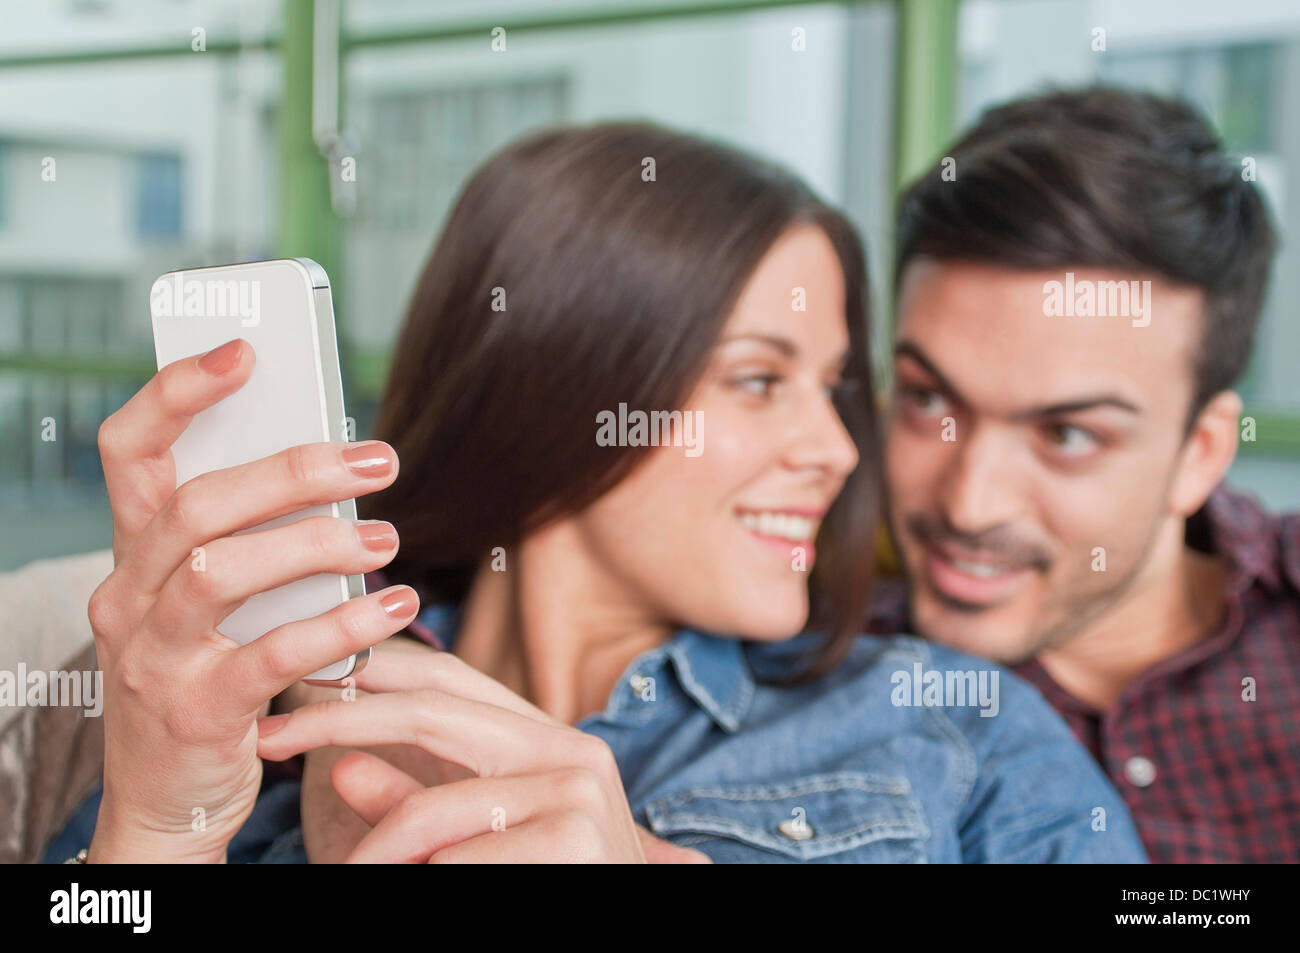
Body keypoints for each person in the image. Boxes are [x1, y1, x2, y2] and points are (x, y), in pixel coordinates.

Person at [64, 122, 1144, 864]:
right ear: (567, 379)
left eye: (833, 389)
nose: (837, 448)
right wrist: (159, 826)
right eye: (761, 379)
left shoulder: (950, 731)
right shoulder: (247, 714)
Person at [874, 85, 1299, 863]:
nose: (970, 504)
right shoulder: (797, 676)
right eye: (929, 399)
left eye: (1067, 433)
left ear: (1200, 451)